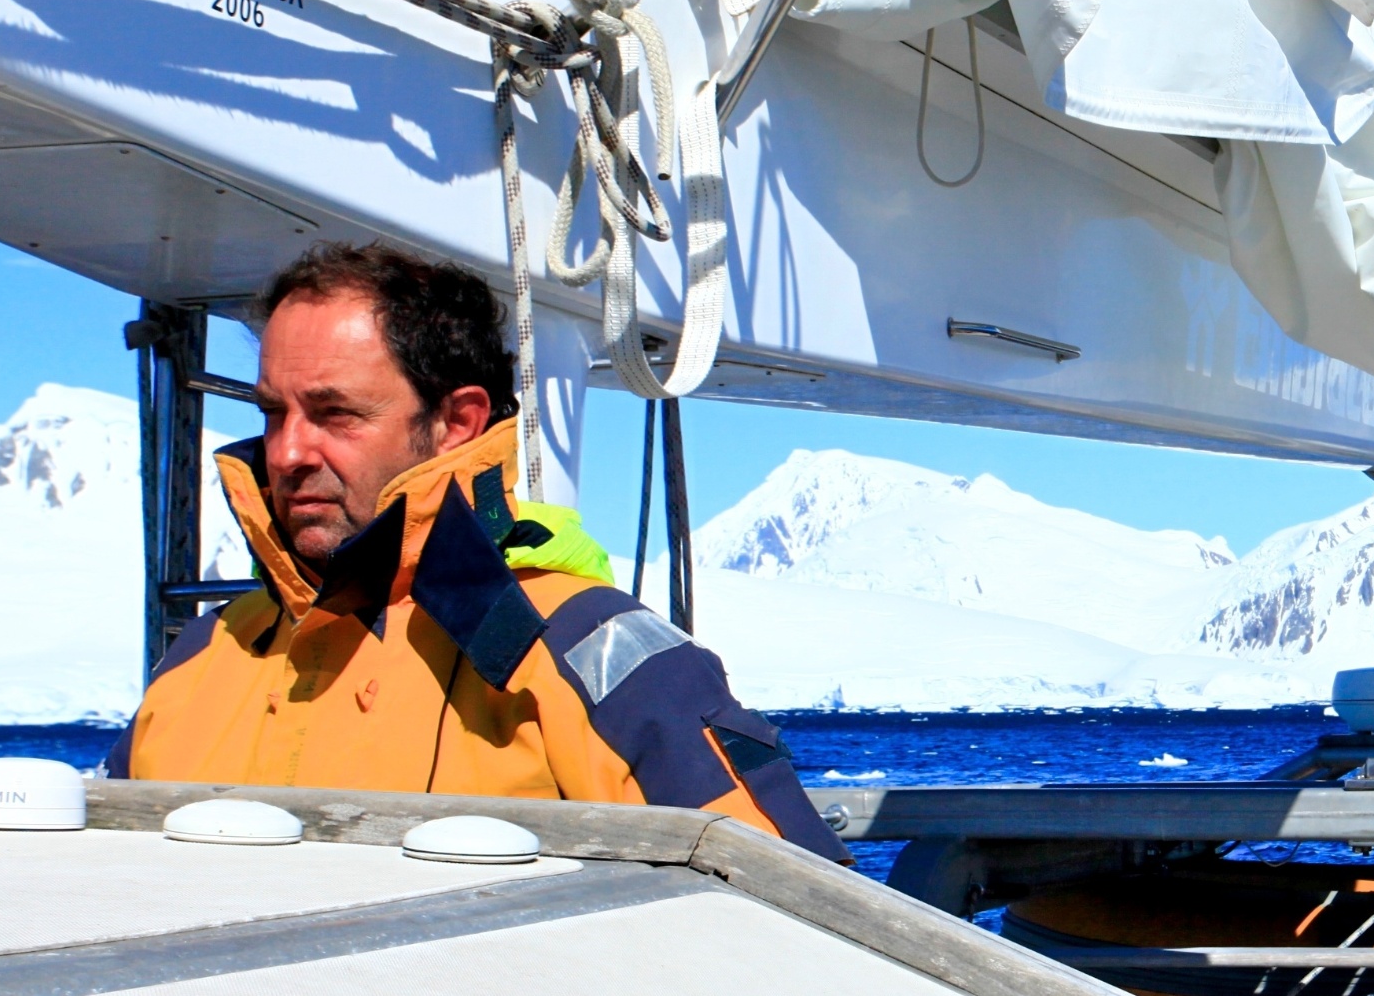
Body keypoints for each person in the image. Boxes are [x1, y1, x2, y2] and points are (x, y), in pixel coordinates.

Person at [106, 242, 846, 861]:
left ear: (458, 422)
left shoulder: (589, 654)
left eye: (336, 413)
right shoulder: (203, 659)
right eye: (274, 412)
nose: (289, 450)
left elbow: (802, 910)